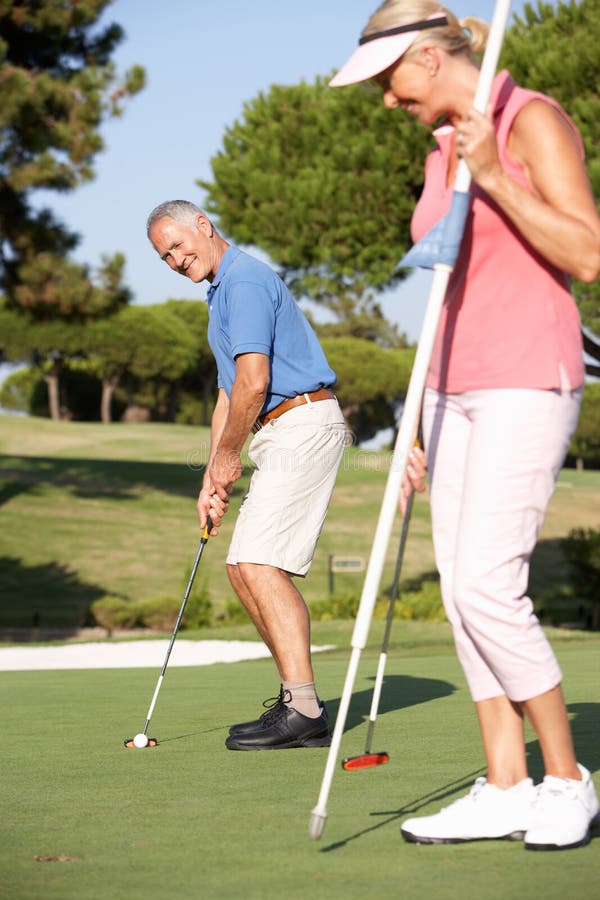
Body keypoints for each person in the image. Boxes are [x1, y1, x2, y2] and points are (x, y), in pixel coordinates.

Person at [330, 1, 600, 850]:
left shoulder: (530, 119)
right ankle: (506, 784)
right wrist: (411, 416)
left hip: (528, 375)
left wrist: (493, 174)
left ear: (425, 58)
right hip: (448, 391)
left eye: (387, 81)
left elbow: (587, 253)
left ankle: (567, 779)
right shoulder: (440, 148)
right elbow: (449, 293)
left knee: (487, 582)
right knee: (458, 592)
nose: (385, 99)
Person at [146, 200, 427, 750]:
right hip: (278, 430)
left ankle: (304, 710)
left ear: (204, 225)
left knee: (260, 564)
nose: (176, 260)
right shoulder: (220, 294)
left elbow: (254, 382)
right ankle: (298, 703)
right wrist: (212, 476)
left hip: (302, 422)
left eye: (178, 245)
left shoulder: (244, 281)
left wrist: (229, 458)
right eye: (165, 257)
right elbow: (228, 394)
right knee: (241, 569)